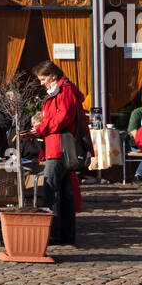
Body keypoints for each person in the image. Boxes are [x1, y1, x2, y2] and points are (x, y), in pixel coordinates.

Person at [30, 60, 88, 248]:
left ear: (52, 76)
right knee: (63, 193)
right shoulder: (59, 91)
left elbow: (63, 117)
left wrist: (41, 128)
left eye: (43, 78)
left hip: (59, 149)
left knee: (51, 191)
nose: (41, 83)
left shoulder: (65, 91)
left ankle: (53, 234)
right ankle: (64, 235)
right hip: (56, 147)